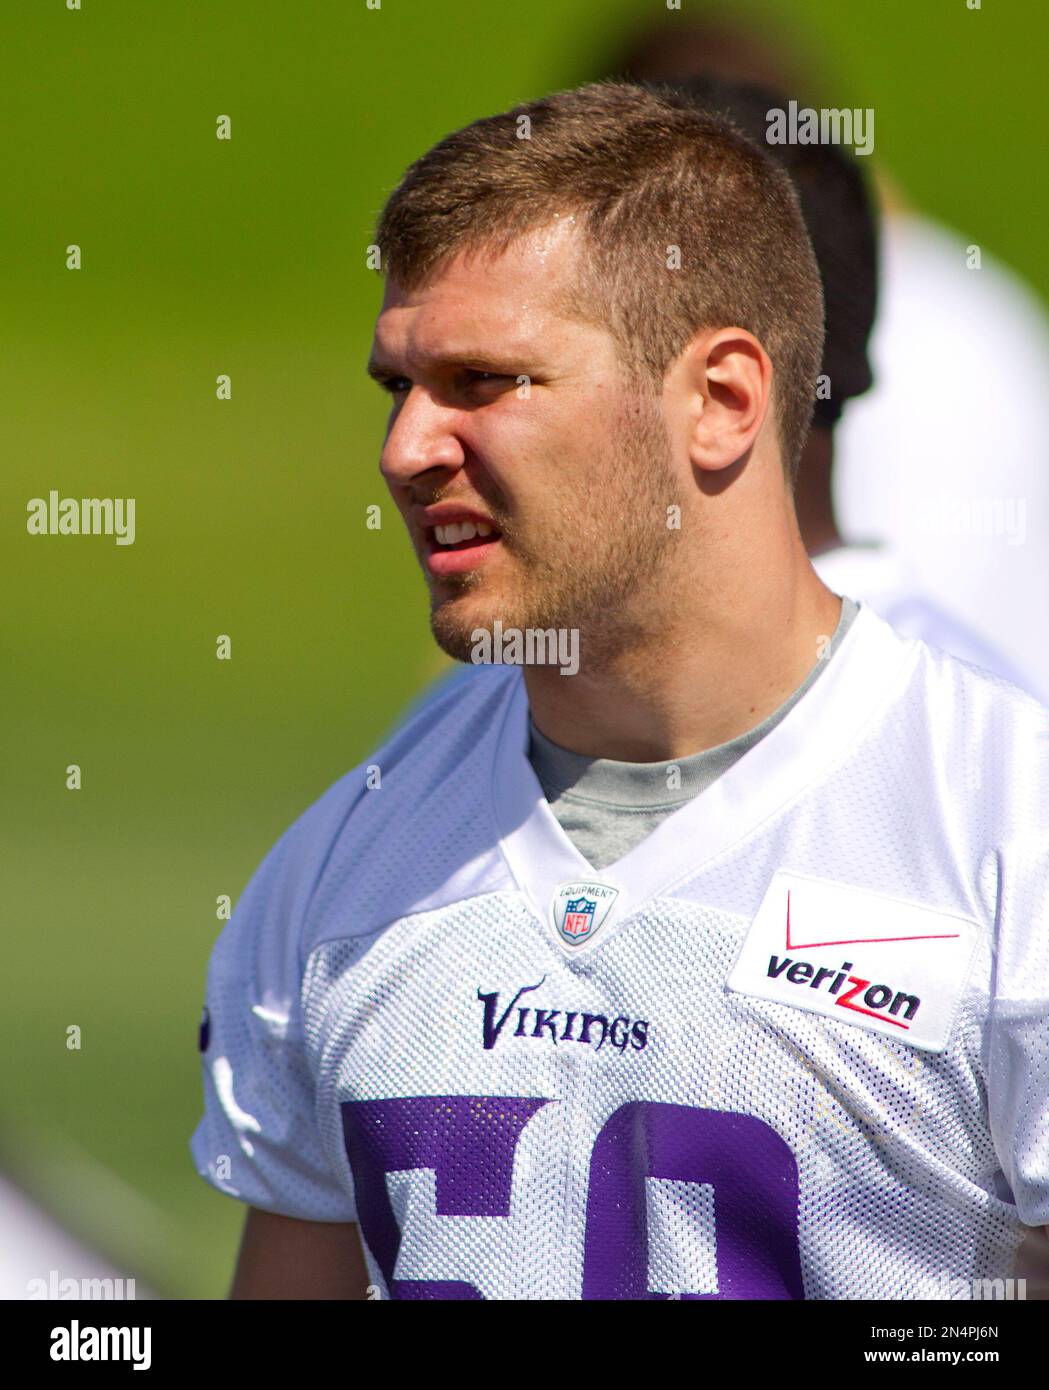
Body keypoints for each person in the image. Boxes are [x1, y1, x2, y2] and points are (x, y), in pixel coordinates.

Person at [192, 81, 1049, 1300]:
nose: (405, 449)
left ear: (720, 402)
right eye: (399, 386)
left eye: (485, 382)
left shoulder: (1007, 839)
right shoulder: (347, 864)